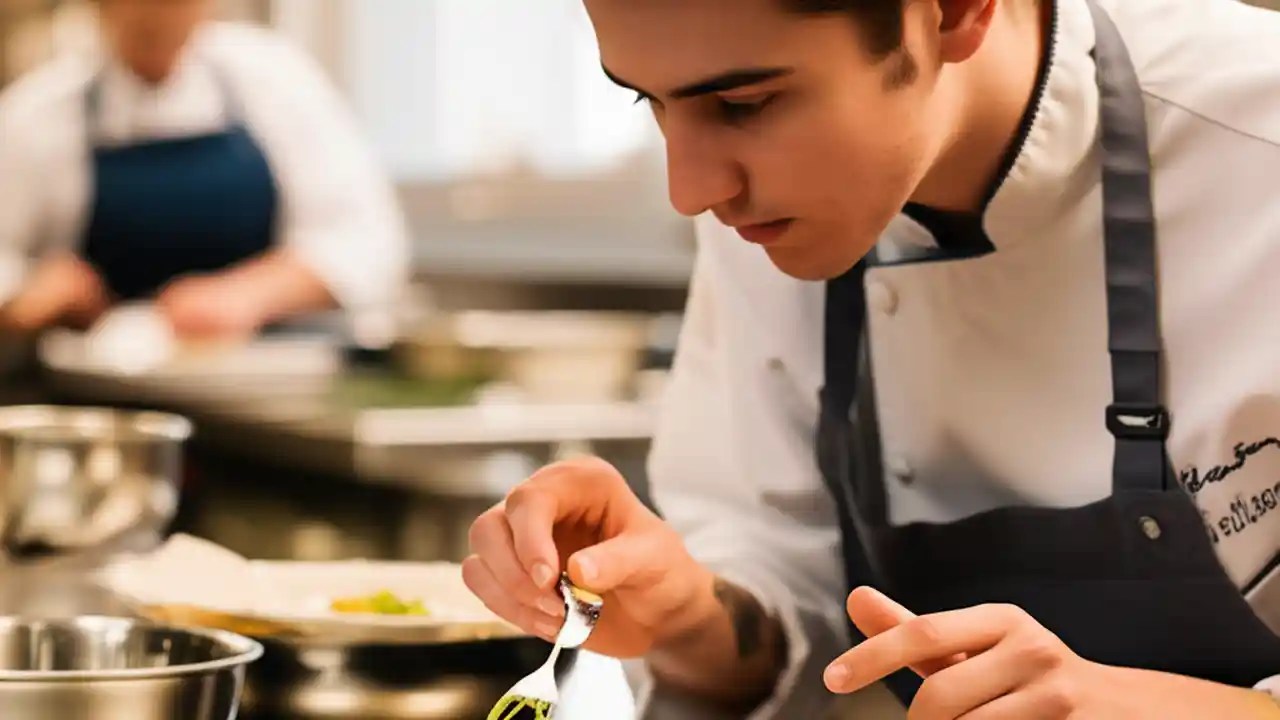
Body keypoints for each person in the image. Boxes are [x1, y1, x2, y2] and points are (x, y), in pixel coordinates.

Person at [466, 0, 1280, 717]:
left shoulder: (1256, 144)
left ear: (958, 10)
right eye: (650, 100)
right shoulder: (769, 211)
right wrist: (686, 617)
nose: (693, 190)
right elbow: (793, 614)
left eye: (745, 103)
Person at [0, 0, 408, 341]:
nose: (154, 13)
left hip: (266, 382)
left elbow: (366, 241)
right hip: (97, 395)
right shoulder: (38, 113)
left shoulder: (277, 80)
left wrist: (249, 294)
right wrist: (33, 290)